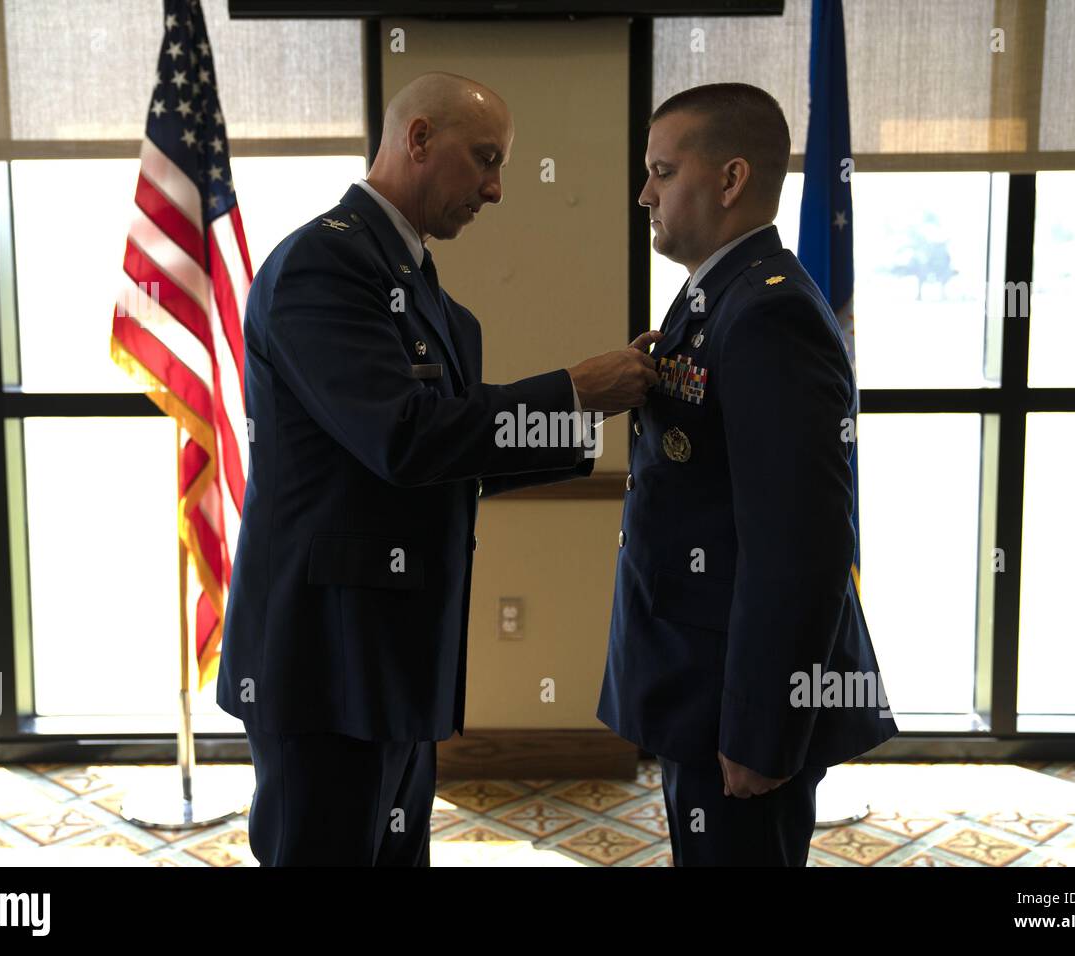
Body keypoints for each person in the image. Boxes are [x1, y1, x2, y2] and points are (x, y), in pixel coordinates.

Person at [218, 71, 659, 866]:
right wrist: (573, 390)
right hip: (326, 663)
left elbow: (449, 458)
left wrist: (588, 412)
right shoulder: (323, 266)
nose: (495, 190)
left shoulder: (428, 296)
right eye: (485, 159)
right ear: (418, 138)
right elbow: (403, 438)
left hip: (396, 661)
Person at [597, 83, 899, 866]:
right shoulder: (717, 296)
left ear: (731, 179)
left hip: (738, 699)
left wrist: (763, 727)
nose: (644, 193)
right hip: (700, 680)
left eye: (662, 172)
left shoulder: (768, 313)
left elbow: (798, 548)